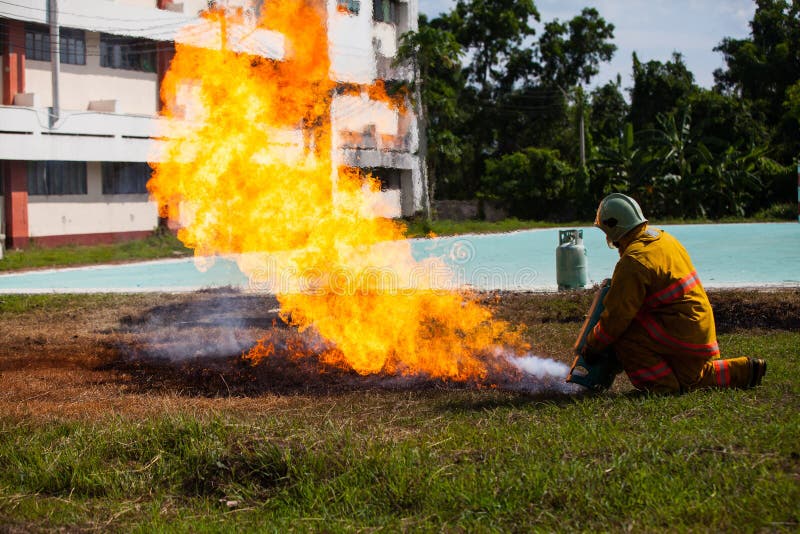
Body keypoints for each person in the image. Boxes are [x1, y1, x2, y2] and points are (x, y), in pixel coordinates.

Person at [581, 193, 766, 393]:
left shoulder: (633, 261)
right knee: (691, 379)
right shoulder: (663, 239)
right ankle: (746, 370)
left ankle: (662, 387)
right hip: (699, 328)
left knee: (625, 337)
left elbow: (616, 318)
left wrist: (592, 346)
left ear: (614, 229)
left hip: (681, 331)